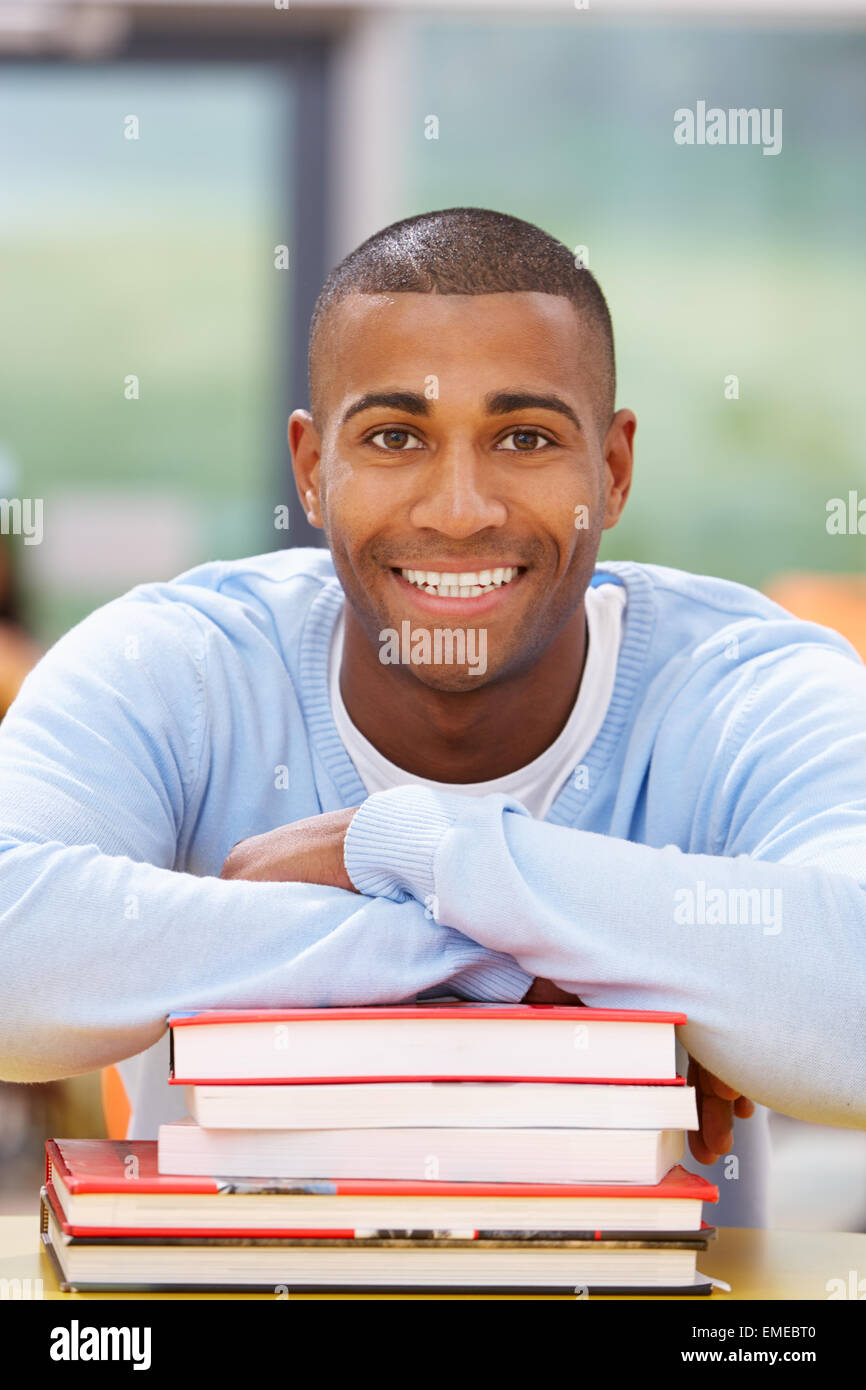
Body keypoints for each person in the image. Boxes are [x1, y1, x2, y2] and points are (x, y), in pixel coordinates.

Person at [1, 208, 863, 1229]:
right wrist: (512, 958)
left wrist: (402, 841)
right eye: (395, 436)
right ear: (313, 470)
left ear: (613, 470)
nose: (459, 511)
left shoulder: (744, 684)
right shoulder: (177, 663)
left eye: (525, 437)